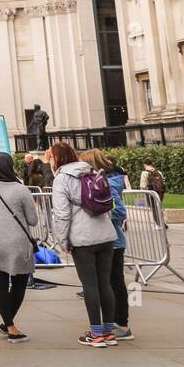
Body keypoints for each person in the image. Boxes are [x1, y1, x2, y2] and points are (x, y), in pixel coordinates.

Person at [51, 142, 119, 346]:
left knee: (90, 285)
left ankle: (96, 333)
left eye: (52, 157)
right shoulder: (91, 171)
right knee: (105, 284)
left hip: (82, 237)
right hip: (105, 234)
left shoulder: (62, 178)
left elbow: (62, 214)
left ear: (58, 159)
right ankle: (108, 331)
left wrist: (62, 240)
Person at [0, 152, 39, 344]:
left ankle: (7, 322)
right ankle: (10, 326)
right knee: (19, 283)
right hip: (17, 244)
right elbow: (33, 220)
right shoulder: (21, 190)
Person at [85, 150, 133, 342]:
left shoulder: (108, 183)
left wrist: (100, 212)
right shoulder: (108, 181)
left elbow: (119, 212)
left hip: (113, 240)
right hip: (109, 239)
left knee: (115, 283)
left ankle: (122, 323)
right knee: (110, 283)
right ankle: (114, 321)